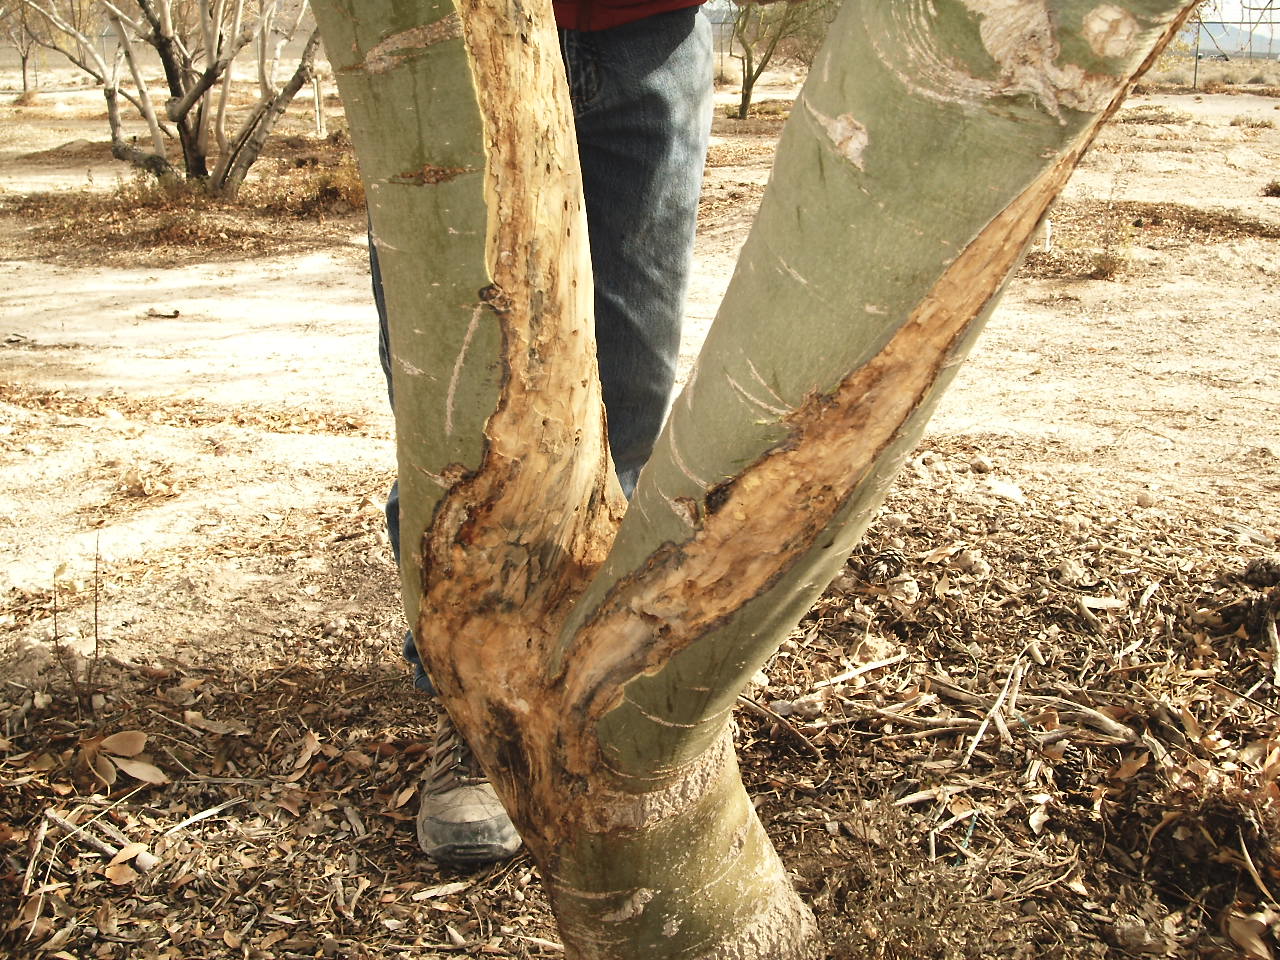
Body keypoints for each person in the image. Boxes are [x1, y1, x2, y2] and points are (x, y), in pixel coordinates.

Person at [371, 0, 715, 864]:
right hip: (437, 44)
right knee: (456, 421)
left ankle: (597, 703)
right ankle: (480, 725)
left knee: (629, 402)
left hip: (651, 33)